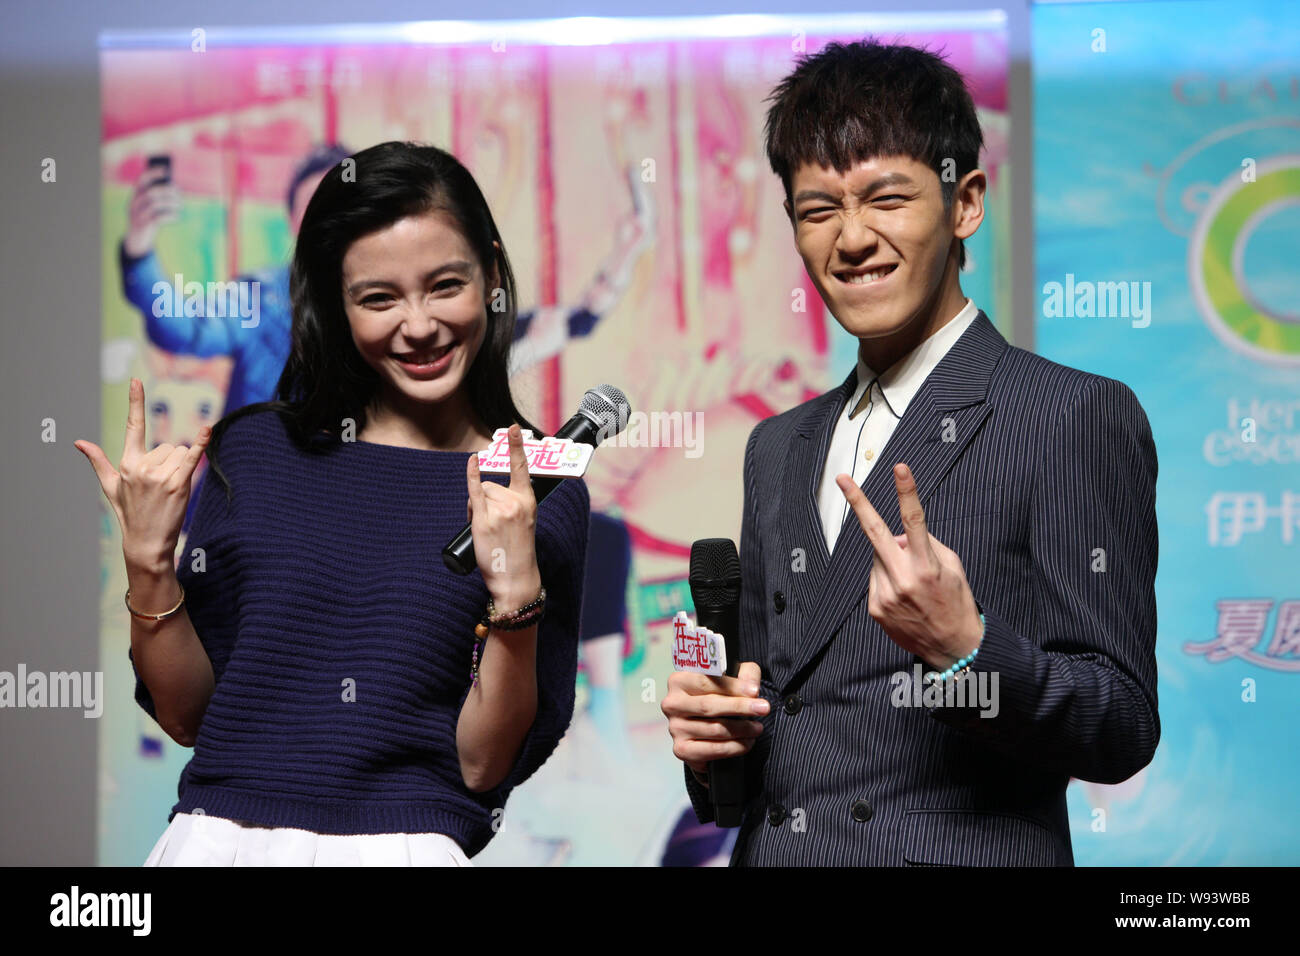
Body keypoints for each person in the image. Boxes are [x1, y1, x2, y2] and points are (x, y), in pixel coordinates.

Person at [661, 39, 1159, 866]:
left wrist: (968, 651)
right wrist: (714, 741)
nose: (852, 238)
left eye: (886, 198)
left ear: (966, 203)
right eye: (818, 211)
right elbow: (758, 755)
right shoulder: (776, 447)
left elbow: (1121, 725)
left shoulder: (1069, 415)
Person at [77, 141, 591, 866]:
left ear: (493, 274)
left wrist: (514, 595)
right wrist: (148, 561)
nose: (419, 325)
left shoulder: (541, 487)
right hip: (214, 845)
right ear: (336, 303)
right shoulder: (254, 451)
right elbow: (188, 716)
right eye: (379, 299)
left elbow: (483, 766)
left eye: (445, 285)